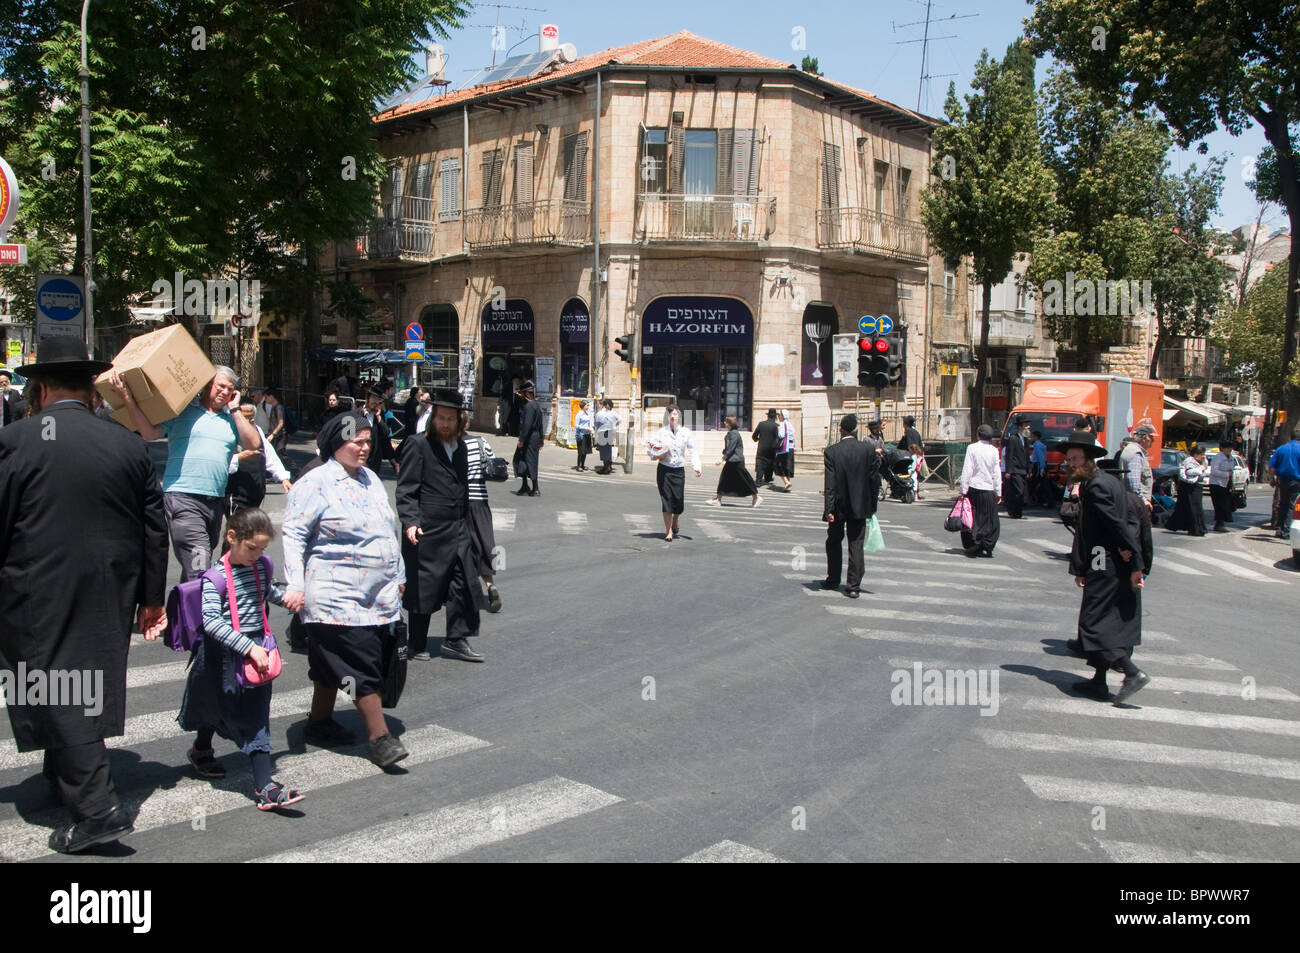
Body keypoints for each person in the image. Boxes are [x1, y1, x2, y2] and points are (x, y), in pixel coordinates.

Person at [0, 337, 168, 853]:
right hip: (109, 586)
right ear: (91, 388)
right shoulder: (126, 443)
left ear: (42, 387)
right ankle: (65, 772)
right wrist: (151, 598)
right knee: (82, 676)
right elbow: (153, 527)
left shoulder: (16, 440)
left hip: (37, 587)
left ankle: (98, 811)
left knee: (55, 685)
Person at [281, 411, 409, 768]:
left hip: (376, 595)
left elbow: (387, 530)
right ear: (336, 443)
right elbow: (293, 535)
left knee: (330, 663)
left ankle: (319, 723)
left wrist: (398, 574)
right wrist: (295, 585)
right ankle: (380, 738)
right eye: (357, 441)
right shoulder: (315, 482)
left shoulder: (370, 479)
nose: (365, 448)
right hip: (335, 597)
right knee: (356, 665)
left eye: (369, 441)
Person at [179, 508, 304, 810]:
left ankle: (264, 787)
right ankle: (202, 749)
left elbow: (265, 592)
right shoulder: (216, 577)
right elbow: (210, 621)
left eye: (262, 549)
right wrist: (248, 648)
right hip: (221, 655)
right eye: (252, 548)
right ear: (232, 537)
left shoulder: (261, 566)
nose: (257, 555)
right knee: (211, 704)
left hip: (255, 654)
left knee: (255, 715)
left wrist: (287, 598)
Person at [111, 364, 261, 582]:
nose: (225, 392)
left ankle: (182, 613)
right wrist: (128, 399)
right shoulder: (182, 413)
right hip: (183, 499)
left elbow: (253, 442)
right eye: (220, 386)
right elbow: (149, 432)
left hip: (214, 502)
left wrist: (236, 409)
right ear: (208, 386)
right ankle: (204, 615)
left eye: (230, 389)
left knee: (194, 569)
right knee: (199, 567)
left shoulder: (231, 420)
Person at [1058, 435, 1150, 705]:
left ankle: (1132, 673)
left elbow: (1117, 526)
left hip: (1105, 561)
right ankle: (1099, 681)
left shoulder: (1096, 486)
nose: (1070, 465)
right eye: (1068, 460)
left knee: (1092, 622)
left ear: (1088, 459)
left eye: (1075, 460)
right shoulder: (1108, 481)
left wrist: (1135, 562)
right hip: (1112, 559)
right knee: (1108, 619)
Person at [398, 390, 486, 662]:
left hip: (458, 528)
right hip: (428, 529)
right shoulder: (417, 445)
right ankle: (417, 642)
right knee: (424, 585)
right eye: (441, 418)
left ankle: (456, 640)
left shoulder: (460, 447)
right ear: (432, 418)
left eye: (450, 419)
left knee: (464, 583)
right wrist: (411, 521)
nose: (445, 424)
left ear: (460, 421)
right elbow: (406, 489)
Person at [822, 414, 878, 598]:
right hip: (860, 504)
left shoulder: (832, 451)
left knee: (834, 540)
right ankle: (853, 585)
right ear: (856, 430)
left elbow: (830, 484)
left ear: (841, 430)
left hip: (838, 505)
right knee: (856, 543)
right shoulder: (868, 450)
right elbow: (873, 480)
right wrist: (872, 506)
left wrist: (829, 509)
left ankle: (833, 578)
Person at [225, 396, 292, 522]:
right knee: (238, 529)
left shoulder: (257, 430)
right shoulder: (228, 432)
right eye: (245, 417)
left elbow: (270, 455)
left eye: (251, 417)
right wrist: (239, 457)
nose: (248, 421)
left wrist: (283, 477)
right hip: (236, 492)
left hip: (256, 489)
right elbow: (221, 461)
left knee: (250, 529)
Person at [645, 405, 702, 542]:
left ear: (679, 416)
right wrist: (656, 456)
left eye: (675, 413)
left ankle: (676, 519)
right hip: (664, 470)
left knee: (678, 501)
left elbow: (692, 450)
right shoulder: (661, 432)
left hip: (678, 470)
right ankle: (668, 531)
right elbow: (649, 447)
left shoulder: (686, 432)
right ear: (667, 417)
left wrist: (697, 466)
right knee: (667, 501)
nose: (672, 416)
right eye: (670, 414)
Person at [464, 426, 503, 614]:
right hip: (480, 499)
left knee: (462, 546)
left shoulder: (451, 445)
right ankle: (490, 585)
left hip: (459, 501)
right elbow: (491, 461)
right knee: (483, 543)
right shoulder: (481, 441)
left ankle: (464, 590)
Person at [958, 424, 1002, 557]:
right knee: (989, 519)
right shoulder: (994, 450)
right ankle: (987, 544)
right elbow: (996, 472)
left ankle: (974, 544)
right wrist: (998, 492)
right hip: (988, 490)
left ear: (978, 435)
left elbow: (967, 470)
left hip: (974, 488)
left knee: (972, 518)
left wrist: (963, 489)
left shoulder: (972, 448)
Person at [708, 415, 761, 507]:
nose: (724, 423)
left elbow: (731, 448)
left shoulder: (733, 433)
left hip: (735, 461)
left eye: (726, 421)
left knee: (744, 479)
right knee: (726, 479)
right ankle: (718, 499)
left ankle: (756, 497)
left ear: (730, 423)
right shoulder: (733, 433)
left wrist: (722, 459)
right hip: (734, 460)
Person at [1165, 444, 1207, 536]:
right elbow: (1189, 472)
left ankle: (1197, 528)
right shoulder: (1190, 461)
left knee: (1193, 508)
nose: (1203, 456)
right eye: (1202, 454)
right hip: (1189, 487)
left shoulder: (1201, 461)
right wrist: (1200, 469)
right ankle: (1195, 529)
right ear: (1196, 454)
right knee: (1193, 508)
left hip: (1196, 487)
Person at [1267, 432, 1300, 540]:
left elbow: (1272, 466)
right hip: (1296, 481)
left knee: (1283, 504)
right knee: (1292, 505)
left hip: (1282, 480)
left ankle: (1279, 529)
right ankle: (1286, 531)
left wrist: (1271, 479)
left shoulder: (1281, 449)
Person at [514, 380, 543, 496]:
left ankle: (535, 487)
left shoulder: (529, 407)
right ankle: (525, 485)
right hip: (535, 436)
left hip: (529, 437)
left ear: (526, 393)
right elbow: (541, 425)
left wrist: (521, 440)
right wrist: (541, 440)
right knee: (523, 460)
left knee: (530, 461)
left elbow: (527, 425)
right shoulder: (535, 405)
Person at [360, 386, 399, 475]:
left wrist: (378, 418)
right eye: (373, 398)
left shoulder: (379, 416)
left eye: (378, 399)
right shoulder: (358, 413)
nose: (375, 402)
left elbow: (386, 432)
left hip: (374, 458)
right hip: (359, 456)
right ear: (368, 398)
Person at [1119, 424, 1156, 511]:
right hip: (1136, 504)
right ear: (1144, 438)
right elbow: (1133, 483)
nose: (1153, 441)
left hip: (1131, 502)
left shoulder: (1131, 450)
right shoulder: (1136, 453)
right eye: (1151, 437)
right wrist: (1143, 500)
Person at [1001, 416, 1031, 519]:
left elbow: (1026, 455)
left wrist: (1029, 469)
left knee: (1021, 493)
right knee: (1019, 491)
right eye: (1026, 425)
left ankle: (1017, 511)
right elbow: (1010, 455)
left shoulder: (1025, 439)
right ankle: (1012, 509)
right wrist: (1008, 471)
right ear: (1021, 426)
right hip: (1015, 469)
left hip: (1023, 470)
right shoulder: (1013, 438)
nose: (1028, 427)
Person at [1208, 442, 1238, 533]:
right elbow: (1214, 471)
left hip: (1226, 484)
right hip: (1216, 484)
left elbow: (1232, 470)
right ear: (1222, 448)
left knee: (1225, 504)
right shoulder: (1218, 457)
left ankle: (1220, 523)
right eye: (1227, 448)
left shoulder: (1231, 458)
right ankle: (1219, 524)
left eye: (1230, 448)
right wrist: (1226, 474)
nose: (1229, 449)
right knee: (1219, 505)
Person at [751, 409, 780, 485]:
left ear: (768, 415)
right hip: (771, 448)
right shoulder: (776, 426)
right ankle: (768, 478)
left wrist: (757, 439)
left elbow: (754, 436)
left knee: (760, 462)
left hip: (762, 447)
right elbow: (777, 438)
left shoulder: (761, 424)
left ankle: (758, 480)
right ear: (775, 417)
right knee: (770, 462)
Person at [594, 399, 620, 474]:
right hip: (611, 432)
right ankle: (608, 467)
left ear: (604, 405)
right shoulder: (612, 413)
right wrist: (615, 425)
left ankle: (606, 468)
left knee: (604, 451)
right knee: (608, 450)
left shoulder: (600, 413)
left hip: (603, 432)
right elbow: (620, 419)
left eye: (601, 404)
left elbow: (596, 424)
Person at [262, 388, 288, 456]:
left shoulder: (278, 407)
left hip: (279, 436)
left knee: (281, 455)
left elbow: (281, 423)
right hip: (275, 435)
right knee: (275, 454)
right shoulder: (274, 407)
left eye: (266, 397)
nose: (265, 399)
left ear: (272, 396)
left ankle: (293, 467)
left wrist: (273, 435)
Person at [774, 409, 796, 491]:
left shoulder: (783, 424)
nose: (778, 417)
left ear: (783, 416)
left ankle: (786, 482)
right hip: (790, 448)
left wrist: (778, 432)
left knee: (778, 465)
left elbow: (781, 435)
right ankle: (788, 483)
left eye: (779, 415)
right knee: (788, 466)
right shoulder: (790, 424)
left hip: (784, 448)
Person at [1029, 430, 1049, 506]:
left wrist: (1042, 468)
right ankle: (1041, 499)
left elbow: (1040, 457)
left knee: (1035, 482)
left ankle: (1036, 499)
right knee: (1041, 483)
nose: (1030, 438)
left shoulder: (1037, 445)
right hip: (1039, 465)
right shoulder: (1039, 445)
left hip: (1038, 465)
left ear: (1035, 437)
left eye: (1031, 437)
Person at [574, 399, 594, 471]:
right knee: (581, 451)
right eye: (587, 405)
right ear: (583, 406)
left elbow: (589, 423)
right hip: (581, 434)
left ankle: (582, 465)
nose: (588, 407)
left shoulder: (586, 414)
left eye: (588, 405)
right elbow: (576, 426)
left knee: (585, 451)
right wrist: (585, 428)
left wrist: (590, 429)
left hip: (587, 434)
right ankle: (578, 466)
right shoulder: (579, 414)